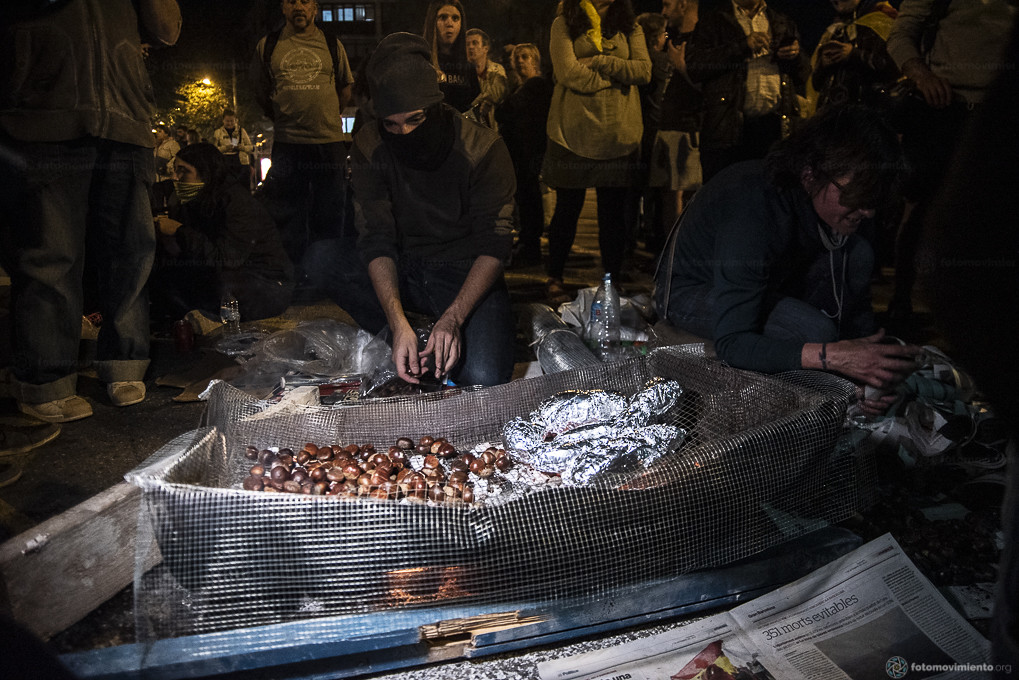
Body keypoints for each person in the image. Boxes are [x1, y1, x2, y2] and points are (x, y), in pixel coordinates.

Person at [654, 106, 921, 416]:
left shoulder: (843, 208)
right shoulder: (754, 207)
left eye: (874, 199)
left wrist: (870, 375)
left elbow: (858, 329)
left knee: (859, 255)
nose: (868, 211)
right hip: (690, 291)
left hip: (767, 281)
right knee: (812, 331)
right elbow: (733, 343)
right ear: (810, 175)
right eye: (857, 196)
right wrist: (832, 358)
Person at [0, 0, 180, 423]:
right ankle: (45, 379)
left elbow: (167, 28)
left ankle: (125, 363)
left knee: (131, 252)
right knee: (51, 253)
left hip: (126, 115)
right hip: (45, 110)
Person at [333, 32, 516, 388]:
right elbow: (376, 238)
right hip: (406, 267)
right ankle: (409, 333)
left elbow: (495, 245)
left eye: (415, 120)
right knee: (324, 260)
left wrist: (453, 318)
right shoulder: (370, 144)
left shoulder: (482, 148)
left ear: (434, 108)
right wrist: (396, 321)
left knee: (484, 377)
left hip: (464, 270)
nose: (403, 134)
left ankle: (441, 330)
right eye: (391, 124)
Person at [883, 0, 1017, 332]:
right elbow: (901, 33)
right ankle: (902, 300)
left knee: (998, 215)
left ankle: (985, 309)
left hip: (1000, 113)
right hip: (945, 108)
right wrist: (921, 74)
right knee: (923, 205)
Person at [542, 0, 651, 305]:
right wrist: (616, 77)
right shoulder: (564, 22)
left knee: (612, 212)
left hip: (618, 131)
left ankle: (611, 280)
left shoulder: (631, 26)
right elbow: (568, 74)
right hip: (572, 131)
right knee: (567, 208)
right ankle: (555, 276)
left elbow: (644, 71)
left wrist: (601, 62)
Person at [250, 0, 355, 279]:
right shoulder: (268, 45)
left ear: (315, 9)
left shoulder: (332, 44)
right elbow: (261, 91)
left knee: (330, 214)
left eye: (305, 1)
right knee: (287, 215)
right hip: (288, 143)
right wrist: (285, 116)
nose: (299, 6)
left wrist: (326, 116)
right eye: (292, 1)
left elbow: (345, 87)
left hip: (328, 143)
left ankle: (327, 277)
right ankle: (292, 277)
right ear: (283, 7)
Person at [149, 143, 294, 324]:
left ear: (206, 172)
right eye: (175, 170)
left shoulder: (237, 203)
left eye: (183, 171)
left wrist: (179, 231)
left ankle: (210, 319)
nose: (176, 177)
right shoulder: (192, 199)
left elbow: (226, 259)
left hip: (266, 284)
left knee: (220, 282)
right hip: (230, 273)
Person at [685, 0, 809, 183]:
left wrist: (795, 56)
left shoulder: (781, 20)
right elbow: (696, 66)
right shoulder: (714, 20)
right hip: (728, 127)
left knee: (771, 195)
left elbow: (803, 75)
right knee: (726, 194)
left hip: (774, 127)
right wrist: (743, 46)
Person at [649, 0, 703, 246]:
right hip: (670, 126)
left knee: (683, 196)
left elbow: (711, 88)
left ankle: (680, 256)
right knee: (668, 195)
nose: (663, 11)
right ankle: (670, 254)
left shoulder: (702, 41)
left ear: (683, 5)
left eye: (667, 4)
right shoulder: (677, 40)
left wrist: (682, 67)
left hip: (687, 128)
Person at [495, 43, 554, 267]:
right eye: (517, 57)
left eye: (525, 57)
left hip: (528, 151)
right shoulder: (521, 87)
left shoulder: (535, 86)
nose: (520, 61)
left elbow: (505, 111)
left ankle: (531, 245)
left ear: (535, 61)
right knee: (526, 198)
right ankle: (528, 241)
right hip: (521, 151)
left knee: (530, 198)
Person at [625, 12, 671, 258]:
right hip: (654, 130)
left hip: (634, 130)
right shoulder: (662, 62)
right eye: (664, 33)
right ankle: (654, 243)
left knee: (631, 194)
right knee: (655, 193)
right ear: (657, 37)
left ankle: (627, 247)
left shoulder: (634, 63)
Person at [807, 0, 899, 115]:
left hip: (871, 117)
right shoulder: (834, 31)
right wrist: (823, 65)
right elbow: (815, 86)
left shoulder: (883, 22)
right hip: (834, 119)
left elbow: (895, 68)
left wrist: (853, 54)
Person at [422, 1, 481, 115]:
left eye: (455, 18)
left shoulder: (468, 68)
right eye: (443, 17)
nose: (449, 23)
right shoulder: (421, 63)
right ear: (433, 22)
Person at [465, 28, 508, 129]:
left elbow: (498, 91)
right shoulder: (461, 73)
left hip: (492, 128)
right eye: (467, 44)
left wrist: (477, 102)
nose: (470, 47)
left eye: (475, 43)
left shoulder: (496, 70)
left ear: (486, 48)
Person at [213, 109, 255, 185]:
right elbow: (214, 151)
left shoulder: (241, 131)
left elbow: (251, 148)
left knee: (243, 189)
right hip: (225, 164)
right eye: (227, 121)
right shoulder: (218, 133)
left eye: (232, 121)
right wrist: (225, 148)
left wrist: (242, 147)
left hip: (241, 164)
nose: (230, 123)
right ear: (223, 120)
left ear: (236, 120)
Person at [152, 123, 180, 214]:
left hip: (167, 177)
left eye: (160, 131)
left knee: (169, 200)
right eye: (157, 131)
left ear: (166, 133)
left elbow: (177, 157)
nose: (157, 133)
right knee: (157, 201)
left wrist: (168, 167)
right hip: (157, 178)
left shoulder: (172, 144)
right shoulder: (156, 145)